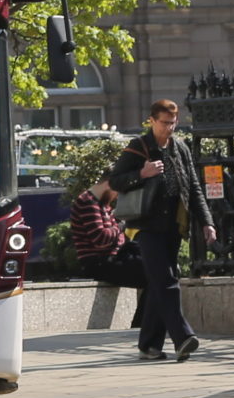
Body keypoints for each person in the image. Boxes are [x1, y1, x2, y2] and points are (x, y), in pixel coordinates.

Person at [107, 99, 209, 362]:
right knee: (166, 280)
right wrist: (142, 173)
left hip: (173, 226)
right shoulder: (138, 148)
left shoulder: (180, 148)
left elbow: (193, 187)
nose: (169, 128)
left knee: (157, 285)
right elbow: (116, 181)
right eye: (165, 123)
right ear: (151, 120)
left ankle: (149, 346)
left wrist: (207, 222)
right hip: (146, 226)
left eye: (173, 123)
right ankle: (183, 337)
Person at [69, 181, 140, 289]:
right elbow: (101, 239)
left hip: (111, 259)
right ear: (109, 183)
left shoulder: (102, 204)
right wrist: (121, 226)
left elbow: (112, 234)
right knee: (153, 273)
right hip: (98, 262)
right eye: (118, 191)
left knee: (156, 267)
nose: (117, 197)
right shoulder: (87, 202)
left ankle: (149, 306)